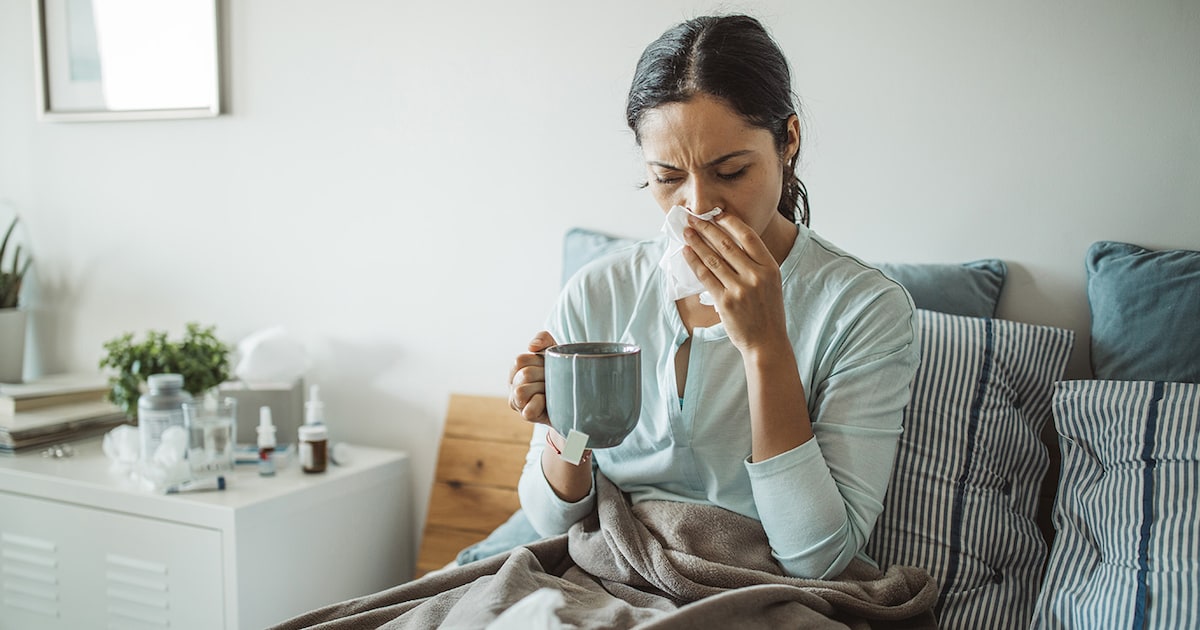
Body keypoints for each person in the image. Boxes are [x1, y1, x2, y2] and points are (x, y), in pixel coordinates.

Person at [508, 14, 919, 581]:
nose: (698, 205)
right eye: (668, 176)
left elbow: (816, 557)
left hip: (762, 590)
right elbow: (553, 522)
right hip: (609, 573)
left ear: (788, 142)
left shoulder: (863, 309)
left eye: (730, 170)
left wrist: (765, 345)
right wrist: (567, 426)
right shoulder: (599, 293)